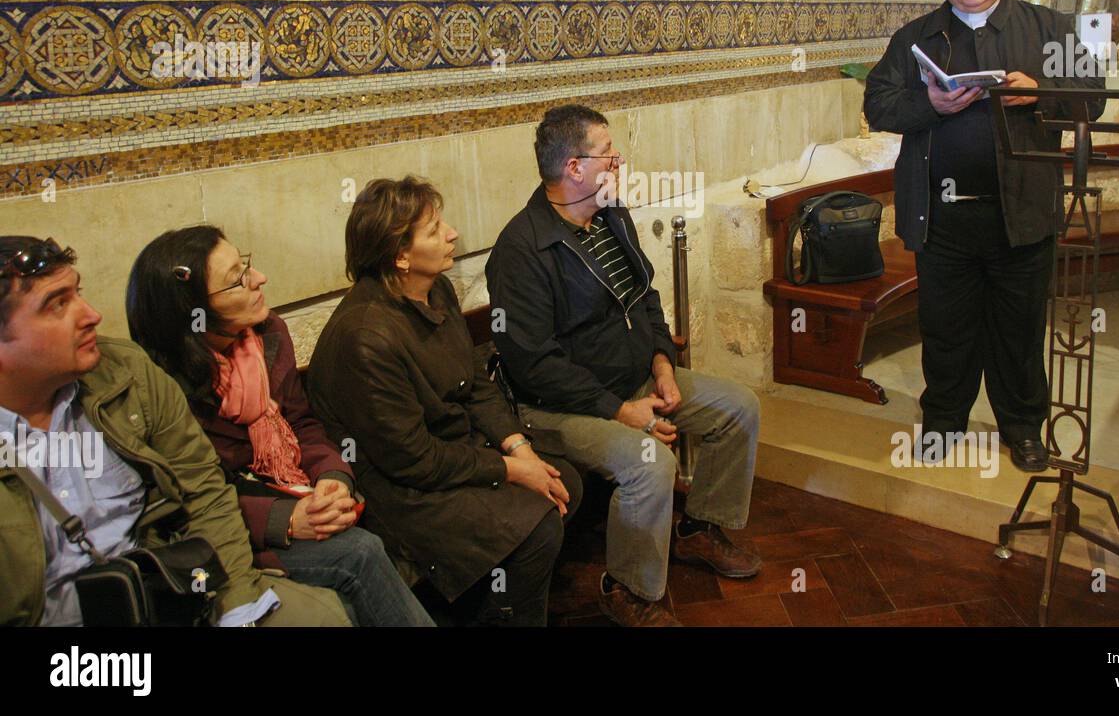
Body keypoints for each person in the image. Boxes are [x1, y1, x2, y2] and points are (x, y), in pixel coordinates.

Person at [486, 105, 762, 627]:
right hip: (559, 408)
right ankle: (626, 590)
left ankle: (699, 528)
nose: (619, 161)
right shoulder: (522, 250)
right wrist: (620, 411)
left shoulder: (611, 214)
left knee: (738, 407)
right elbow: (534, 365)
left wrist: (662, 361)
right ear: (573, 168)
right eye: (608, 153)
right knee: (649, 462)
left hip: (635, 381)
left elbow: (645, 295)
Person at [0, 236, 350, 626]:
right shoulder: (172, 369)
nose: (92, 315)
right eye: (57, 304)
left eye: (77, 293)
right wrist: (280, 518)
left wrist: (236, 608)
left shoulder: (124, 374)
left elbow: (203, 493)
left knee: (324, 615)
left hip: (171, 585)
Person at [865, 0, 1103, 473]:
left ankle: (1022, 428)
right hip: (941, 217)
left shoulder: (1049, 29)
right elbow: (879, 105)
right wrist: (932, 106)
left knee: (1017, 332)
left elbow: (1094, 99)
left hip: (1020, 212)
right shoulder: (916, 37)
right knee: (946, 330)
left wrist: (1042, 93)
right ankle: (944, 425)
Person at [125, 226, 435, 627]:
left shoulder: (266, 336)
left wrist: (332, 476)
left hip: (293, 490)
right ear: (194, 312)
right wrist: (283, 521)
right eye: (237, 279)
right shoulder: (160, 386)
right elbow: (191, 497)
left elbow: (301, 421)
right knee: (357, 553)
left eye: (246, 265)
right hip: (227, 532)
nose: (259, 279)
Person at [307, 177, 580, 626]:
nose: (452, 233)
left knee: (565, 480)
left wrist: (519, 448)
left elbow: (474, 384)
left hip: (453, 449)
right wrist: (511, 470)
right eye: (435, 230)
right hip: (401, 492)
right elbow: (412, 460)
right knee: (539, 525)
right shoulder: (366, 337)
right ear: (399, 255)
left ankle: (490, 604)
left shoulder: (436, 290)